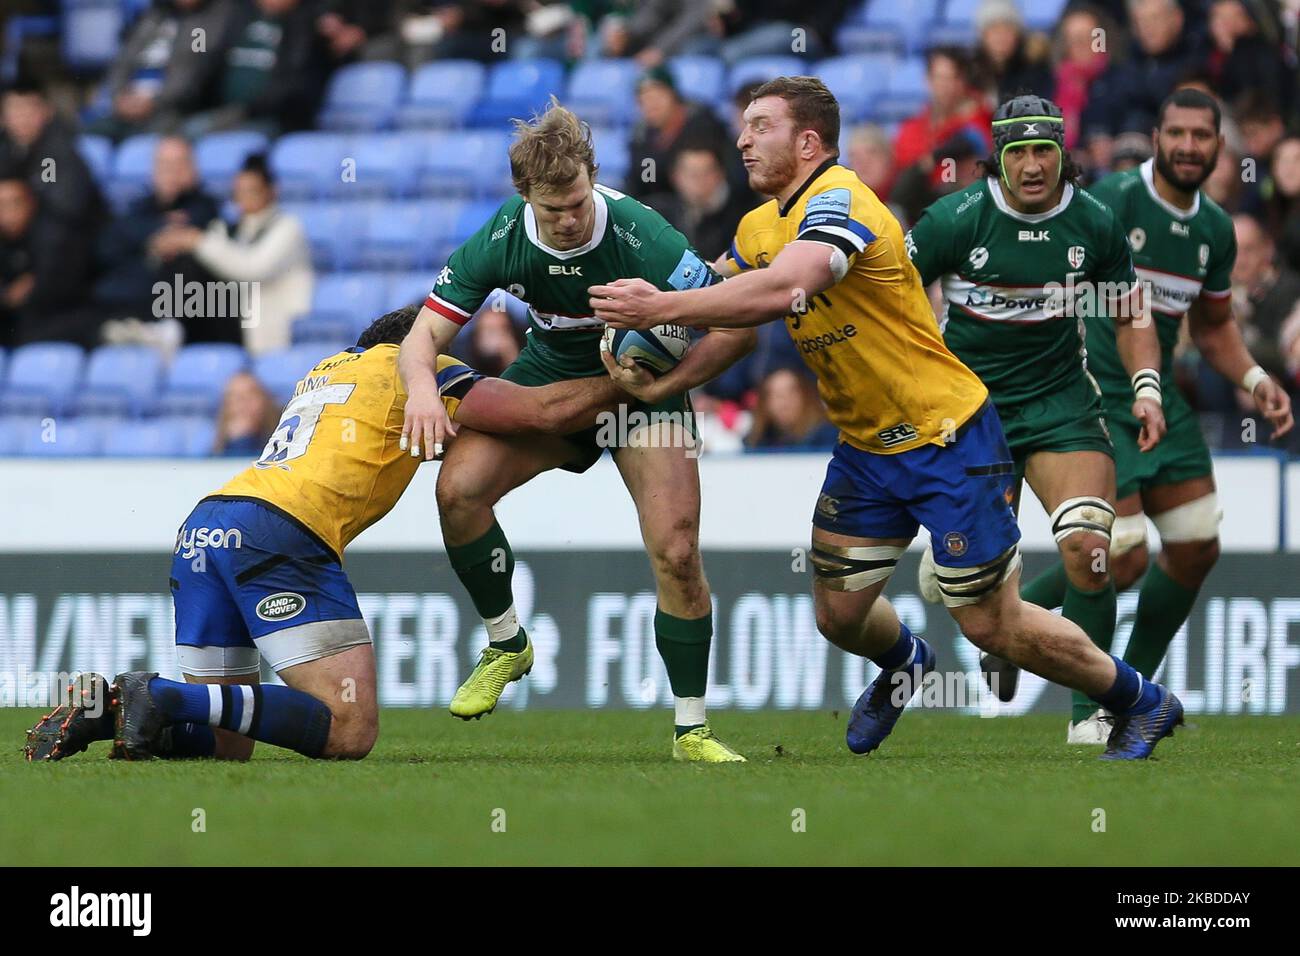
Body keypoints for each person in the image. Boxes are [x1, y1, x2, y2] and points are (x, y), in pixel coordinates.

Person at [592, 76, 1185, 761]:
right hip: (868, 448)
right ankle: (906, 663)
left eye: (760, 126)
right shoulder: (758, 228)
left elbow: (786, 287)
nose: (741, 139)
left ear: (808, 141)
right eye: (744, 126)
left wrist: (655, 311)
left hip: (947, 435)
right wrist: (663, 373)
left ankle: (1140, 699)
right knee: (838, 613)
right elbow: (726, 309)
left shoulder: (844, 201)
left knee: (992, 624)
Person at [23, 304, 623, 762]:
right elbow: (527, 416)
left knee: (230, 741)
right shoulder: (415, 369)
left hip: (207, 527)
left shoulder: (326, 373)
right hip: (280, 530)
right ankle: (159, 692)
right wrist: (623, 384)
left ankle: (107, 706)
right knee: (349, 727)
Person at [400, 100, 755, 762]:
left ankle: (691, 731)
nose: (567, 221)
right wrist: (422, 388)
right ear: (524, 196)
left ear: (594, 180)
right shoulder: (503, 236)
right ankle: (508, 642)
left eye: (578, 204)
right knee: (459, 491)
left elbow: (737, 327)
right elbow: (423, 335)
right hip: (552, 377)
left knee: (677, 551)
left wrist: (664, 386)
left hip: (643, 393)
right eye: (551, 209)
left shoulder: (643, 234)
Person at [1016, 90, 1293, 714]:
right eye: (1177, 133)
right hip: (1090, 395)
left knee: (1196, 545)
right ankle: (1074, 692)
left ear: (1220, 148)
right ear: (1159, 135)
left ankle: (1121, 692)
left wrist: (1254, 381)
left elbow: (1216, 326)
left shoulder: (1216, 230)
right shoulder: (1111, 200)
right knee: (1120, 554)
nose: (1188, 146)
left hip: (1155, 394)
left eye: (1202, 136)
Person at [906, 94, 1167, 743]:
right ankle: (1004, 628)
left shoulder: (1095, 225)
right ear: (998, 157)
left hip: (1062, 408)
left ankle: (1094, 714)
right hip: (973, 413)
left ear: (1062, 156)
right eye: (1017, 151)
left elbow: (1132, 311)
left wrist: (1146, 387)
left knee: (1091, 551)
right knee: (985, 609)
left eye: (1042, 151)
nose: (1030, 165)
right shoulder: (954, 220)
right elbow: (891, 294)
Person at [152, 153, 312, 354]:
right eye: (239, 192)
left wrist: (196, 240)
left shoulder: (288, 228)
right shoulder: (229, 228)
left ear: (272, 191)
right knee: (185, 264)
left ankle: (171, 330)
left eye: (252, 191)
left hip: (268, 330)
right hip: (229, 323)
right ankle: (167, 327)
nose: (244, 199)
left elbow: (252, 268)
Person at [88, 0, 239, 142]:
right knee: (90, 134)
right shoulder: (153, 17)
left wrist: (154, 102)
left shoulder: (202, 27)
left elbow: (194, 70)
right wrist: (118, 96)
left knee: (149, 139)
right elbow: (122, 62)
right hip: (126, 106)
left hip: (170, 112)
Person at [0, 173, 96, 346]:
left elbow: (58, 289)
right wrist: (7, 295)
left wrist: (31, 288)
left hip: (58, 319)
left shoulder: (55, 238)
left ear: (30, 204)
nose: (7, 214)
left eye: (13, 204)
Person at [745, 367, 838, 450]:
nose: (784, 402)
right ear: (765, 403)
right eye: (777, 396)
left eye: (791, 393)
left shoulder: (829, 437)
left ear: (805, 396)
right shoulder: (756, 441)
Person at [213, 370, 280, 456]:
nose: (243, 403)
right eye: (235, 397)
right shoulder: (218, 452)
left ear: (264, 399)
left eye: (251, 394)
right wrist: (239, 440)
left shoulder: (284, 440)